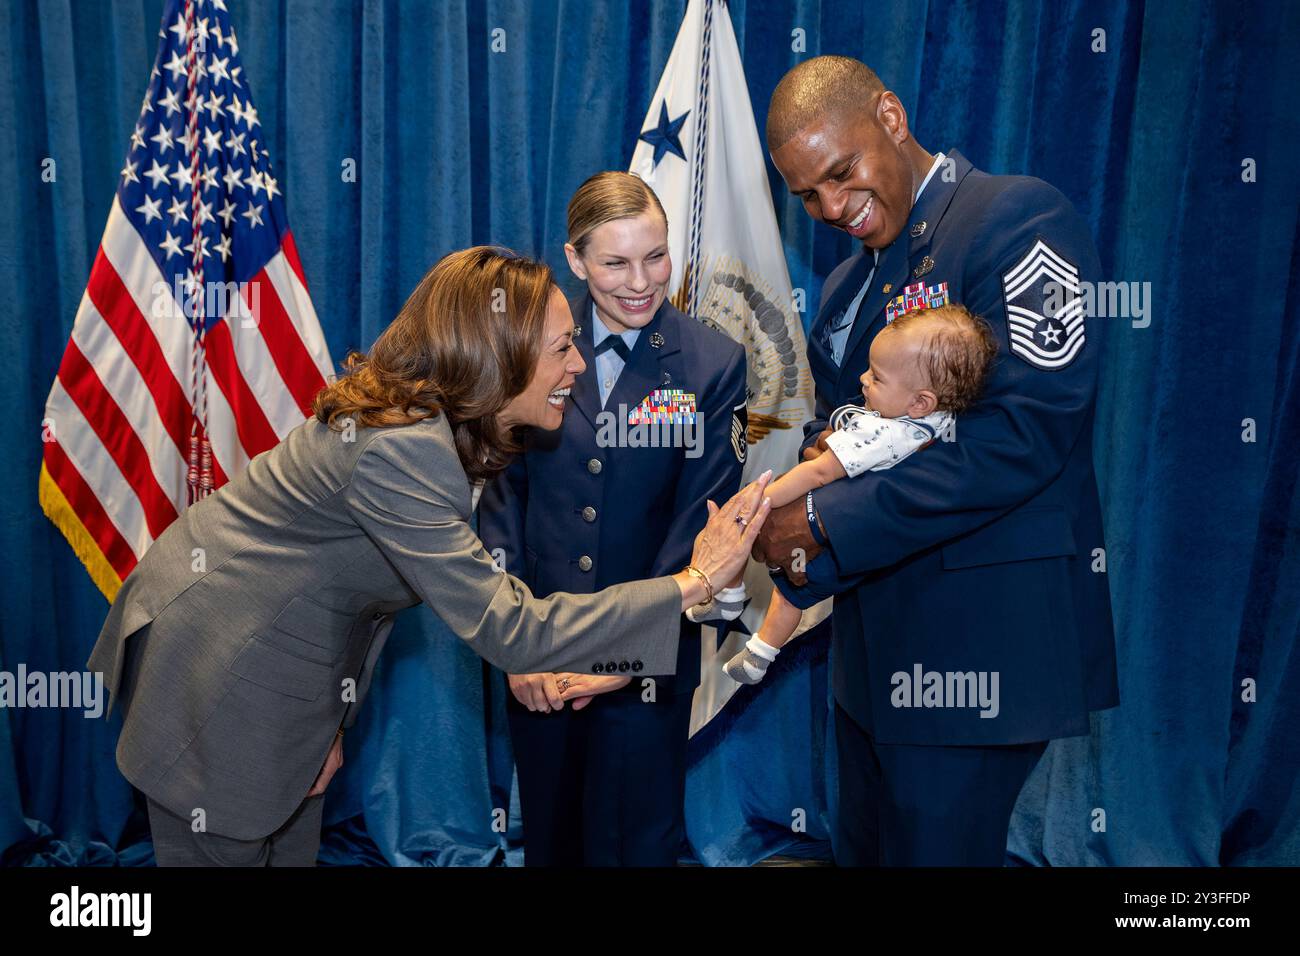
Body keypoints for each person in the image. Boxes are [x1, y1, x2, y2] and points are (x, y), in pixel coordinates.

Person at [86, 245, 771, 867]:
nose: (579, 366)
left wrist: (328, 722)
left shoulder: (443, 426)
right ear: (500, 355)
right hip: (216, 665)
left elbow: (361, 598)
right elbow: (514, 630)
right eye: (562, 349)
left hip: (288, 667)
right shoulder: (405, 448)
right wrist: (691, 582)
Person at [751, 56, 1120, 866]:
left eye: (843, 174)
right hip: (870, 656)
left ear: (891, 116)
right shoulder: (850, 284)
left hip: (977, 649)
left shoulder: (1018, 218)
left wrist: (819, 520)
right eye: (809, 195)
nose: (834, 208)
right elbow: (846, 433)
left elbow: (1026, 429)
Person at [477, 171, 748, 866]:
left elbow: (700, 528)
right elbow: (501, 504)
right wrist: (515, 642)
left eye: (656, 256)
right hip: (539, 656)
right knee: (552, 841)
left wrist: (623, 655)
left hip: (646, 671)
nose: (641, 281)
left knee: (633, 846)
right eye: (615, 262)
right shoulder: (525, 349)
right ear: (574, 261)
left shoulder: (713, 366)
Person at [723, 304, 997, 685]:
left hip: (832, 533)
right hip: (850, 528)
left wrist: (762, 500)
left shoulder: (886, 435)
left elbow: (819, 473)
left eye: (877, 378)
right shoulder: (932, 419)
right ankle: (733, 605)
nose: (863, 380)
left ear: (920, 402)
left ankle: (758, 650)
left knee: (780, 577)